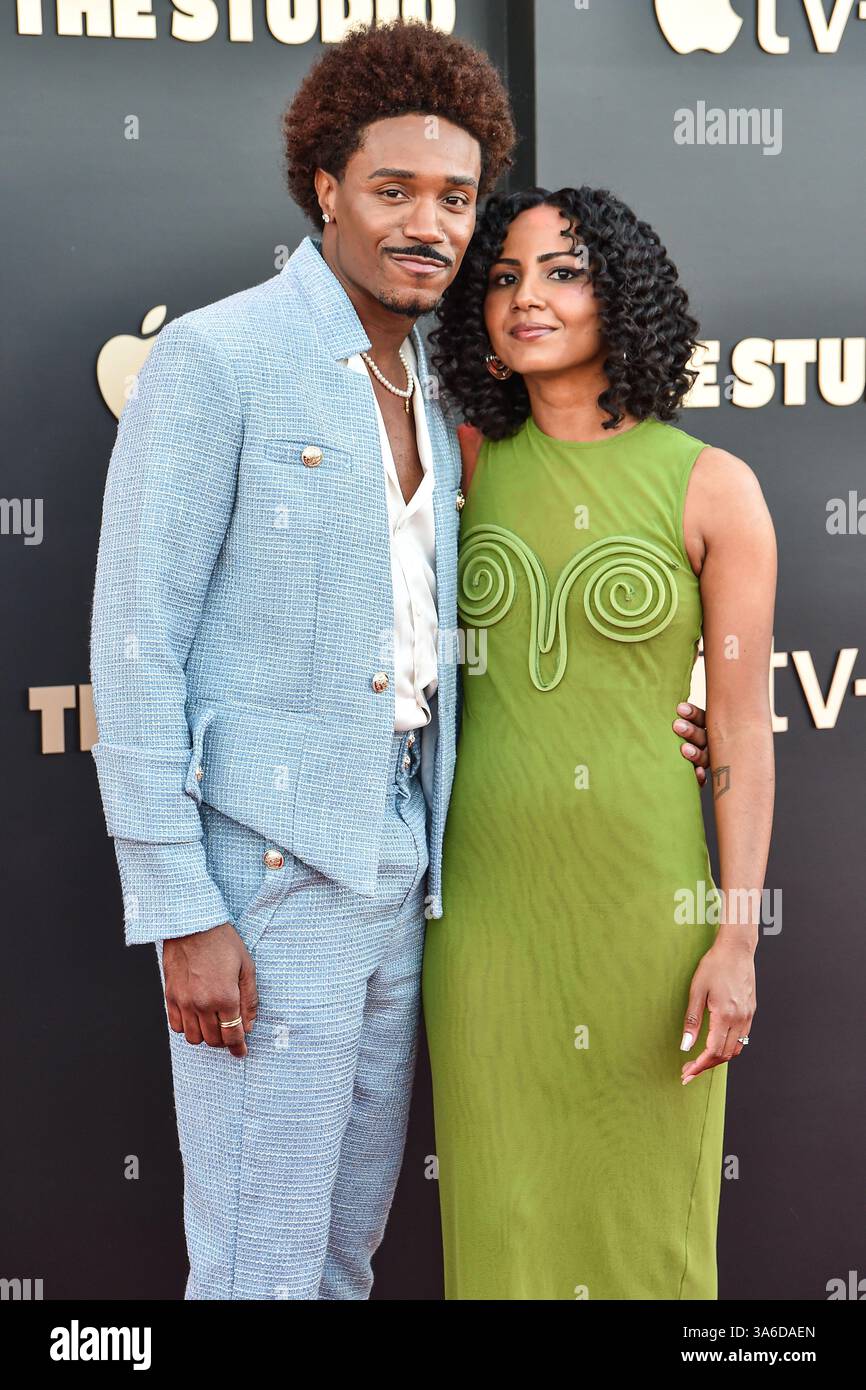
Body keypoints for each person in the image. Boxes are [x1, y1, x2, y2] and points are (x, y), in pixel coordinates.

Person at [89, 20, 709, 1301]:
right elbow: (134, 643)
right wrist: (180, 909)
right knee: (258, 1265)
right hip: (261, 875)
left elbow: (571, 554)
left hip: (408, 870)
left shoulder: (442, 376)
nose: (429, 222)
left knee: (339, 1257)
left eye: (455, 196)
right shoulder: (218, 361)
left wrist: (674, 690)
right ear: (326, 187)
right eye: (393, 190)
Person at [421, 187, 776, 1300]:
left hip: (643, 906)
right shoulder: (461, 463)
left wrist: (733, 940)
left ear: (621, 294)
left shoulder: (712, 486)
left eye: (561, 271)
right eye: (502, 276)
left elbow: (736, 739)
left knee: (641, 1221)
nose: (526, 298)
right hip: (482, 911)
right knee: (503, 1215)